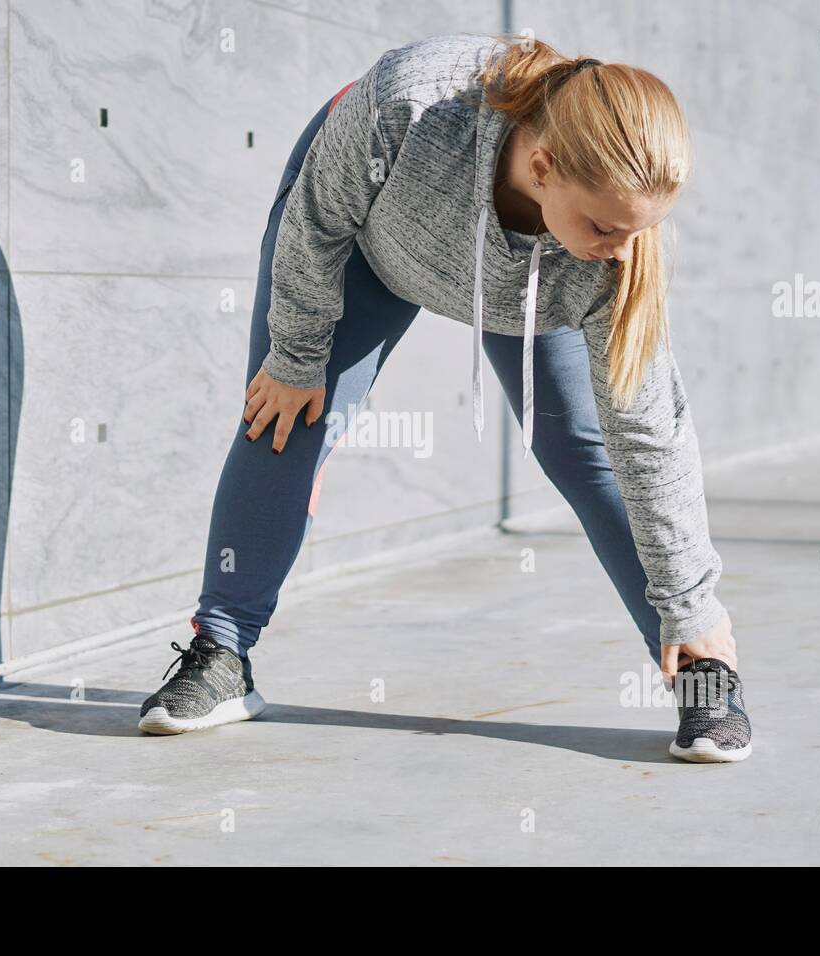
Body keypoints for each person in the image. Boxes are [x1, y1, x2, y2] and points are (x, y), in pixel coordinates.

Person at [139, 32, 752, 763]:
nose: (624, 249)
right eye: (607, 226)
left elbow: (648, 435)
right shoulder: (412, 102)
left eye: (642, 229)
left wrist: (691, 604)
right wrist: (298, 356)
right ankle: (222, 654)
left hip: (533, 285)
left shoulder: (614, 254)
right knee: (288, 413)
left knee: (589, 453)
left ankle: (704, 675)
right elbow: (318, 223)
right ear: (543, 164)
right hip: (365, 243)